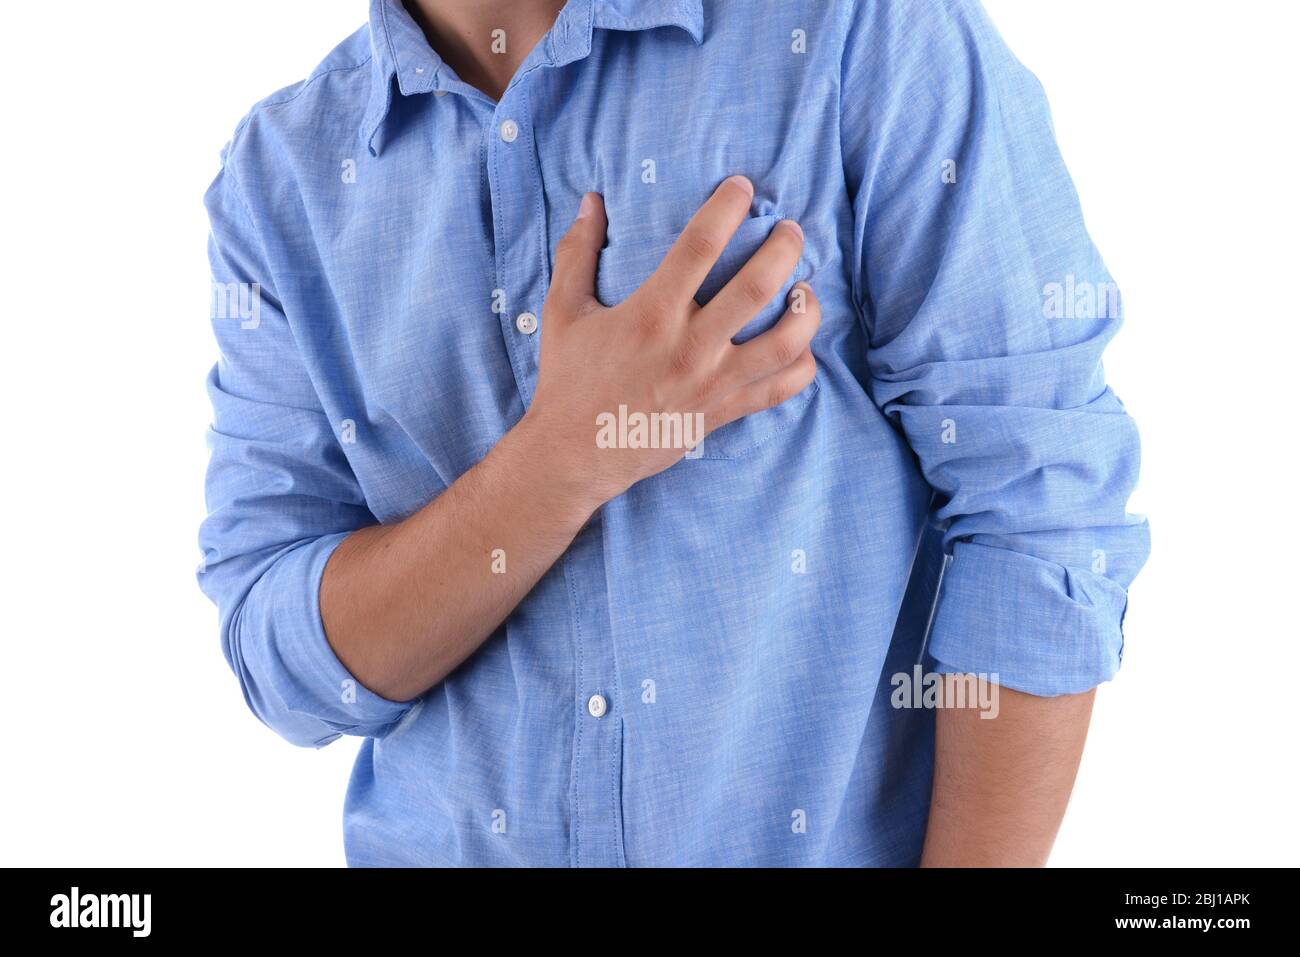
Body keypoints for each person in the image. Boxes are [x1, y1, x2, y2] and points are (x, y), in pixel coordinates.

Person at [199, 0, 1149, 866]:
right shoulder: (280, 175)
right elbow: (287, 664)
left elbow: (1039, 514)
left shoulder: (864, 33)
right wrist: (559, 460)